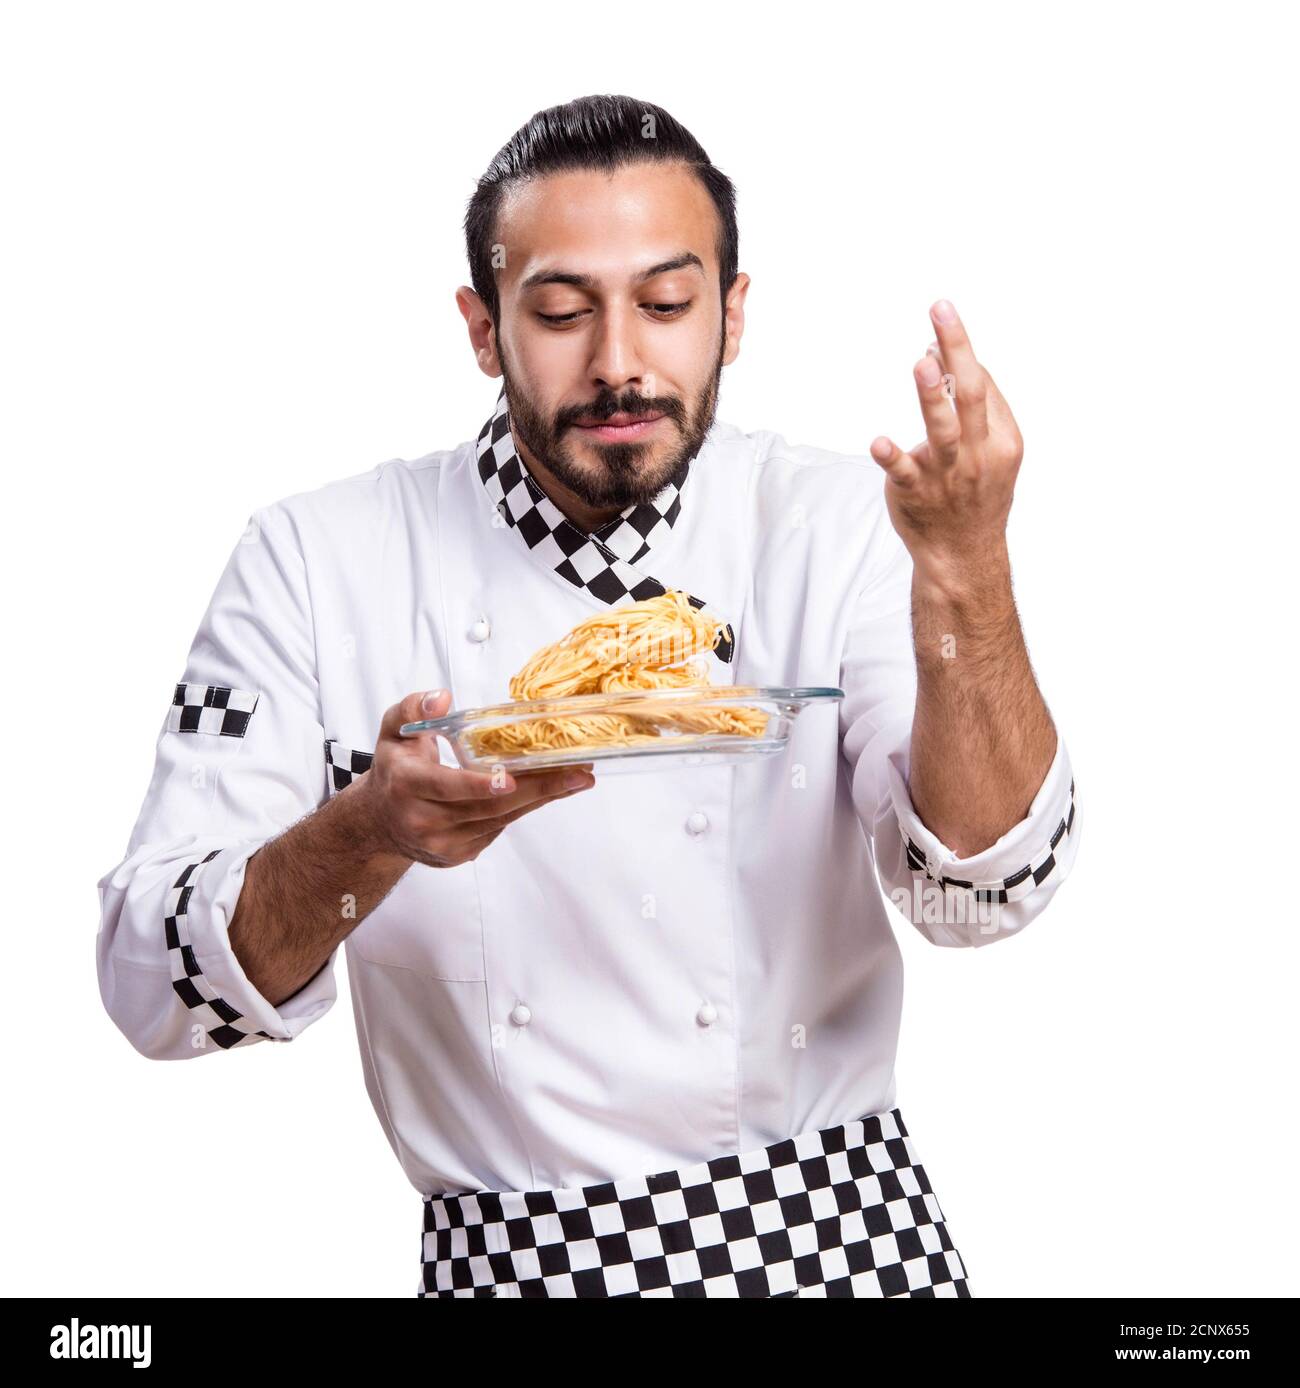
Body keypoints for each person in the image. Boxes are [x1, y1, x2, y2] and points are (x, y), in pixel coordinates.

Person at [96, 94, 1080, 1299]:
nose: (618, 361)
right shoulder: (320, 558)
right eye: (560, 312)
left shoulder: (839, 527)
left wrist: (970, 573)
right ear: (481, 325)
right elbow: (153, 984)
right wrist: (370, 830)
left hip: (843, 1250)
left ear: (734, 311)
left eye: (667, 305)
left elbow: (985, 894)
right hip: (516, 1269)